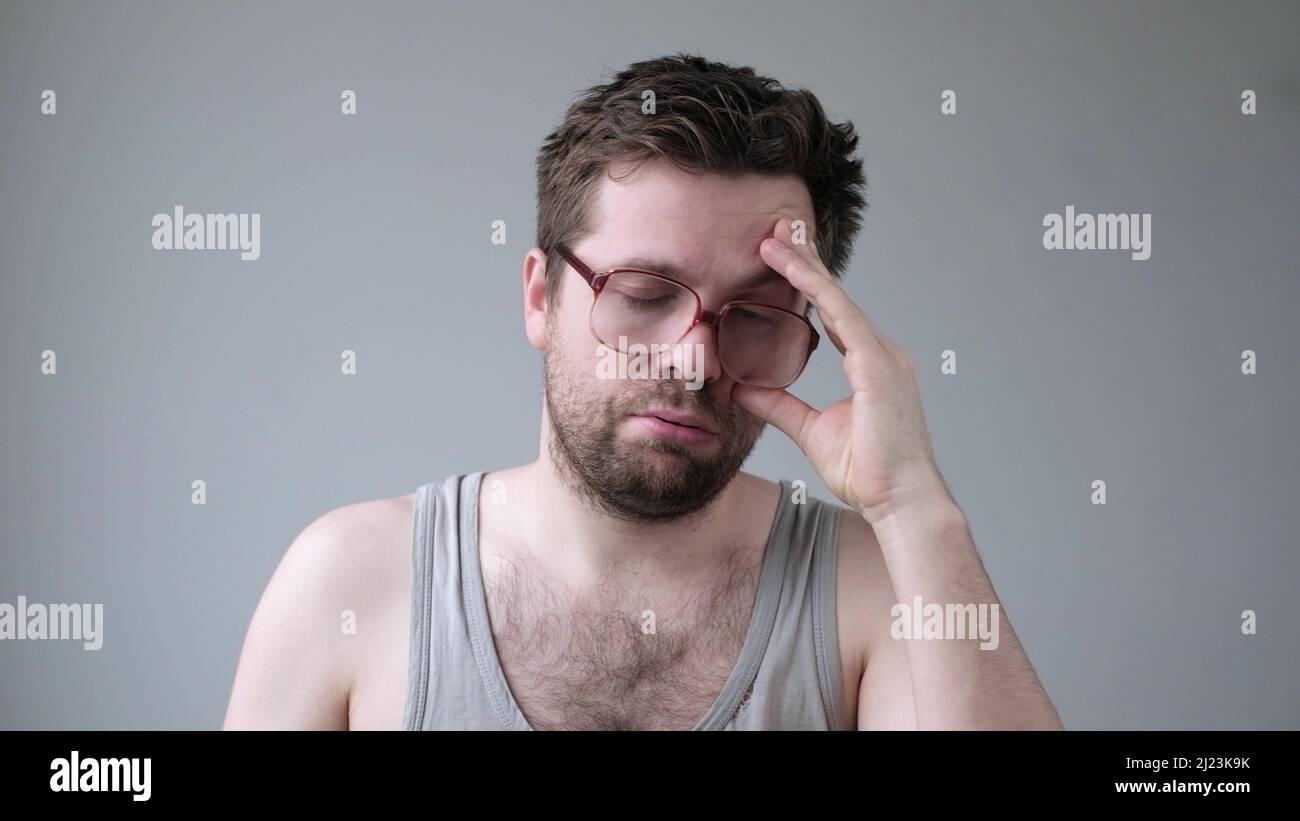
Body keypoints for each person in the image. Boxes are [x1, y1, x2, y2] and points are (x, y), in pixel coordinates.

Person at [223, 53, 1063, 731]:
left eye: (757, 313)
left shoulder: (869, 585)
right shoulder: (353, 580)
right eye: (646, 292)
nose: (694, 361)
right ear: (541, 297)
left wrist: (915, 506)